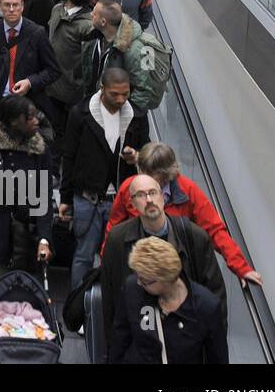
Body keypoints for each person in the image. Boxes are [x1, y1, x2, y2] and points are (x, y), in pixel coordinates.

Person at [100, 174, 226, 355]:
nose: (149, 200)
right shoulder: (118, 239)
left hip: (186, 341)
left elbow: (215, 294)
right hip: (140, 342)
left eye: (153, 192)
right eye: (141, 195)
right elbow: (110, 298)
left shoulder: (193, 236)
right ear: (132, 203)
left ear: (163, 196)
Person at [104, 143, 262, 286]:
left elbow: (215, 231)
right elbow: (113, 229)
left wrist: (241, 268)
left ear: (166, 174)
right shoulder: (130, 188)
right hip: (139, 268)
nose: (145, 178)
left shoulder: (188, 191)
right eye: (143, 172)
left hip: (176, 272)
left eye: (152, 174)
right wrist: (106, 265)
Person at [58, 67, 149, 282]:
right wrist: (65, 197)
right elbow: (69, 156)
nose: (120, 100)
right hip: (87, 197)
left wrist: (137, 157)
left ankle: (110, 308)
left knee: (120, 257)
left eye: (125, 94)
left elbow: (147, 152)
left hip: (122, 199)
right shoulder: (81, 114)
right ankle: (78, 308)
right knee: (83, 255)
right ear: (102, 89)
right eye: (114, 94)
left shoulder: (137, 116)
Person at [109, 236, 228, 364]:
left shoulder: (206, 307)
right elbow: (119, 338)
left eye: (145, 281)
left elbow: (218, 358)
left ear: (166, 279)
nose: (139, 282)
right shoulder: (132, 288)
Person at [0, 95, 55, 272]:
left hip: (32, 239)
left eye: (35, 116)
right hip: (1, 237)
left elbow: (45, 198)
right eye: (29, 117)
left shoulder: (40, 151)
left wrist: (44, 240)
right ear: (14, 122)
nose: (36, 122)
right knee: (3, 292)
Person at [47, 0, 93, 124]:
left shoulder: (87, 26)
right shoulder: (57, 9)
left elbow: (90, 62)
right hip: (49, 83)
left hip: (70, 91)